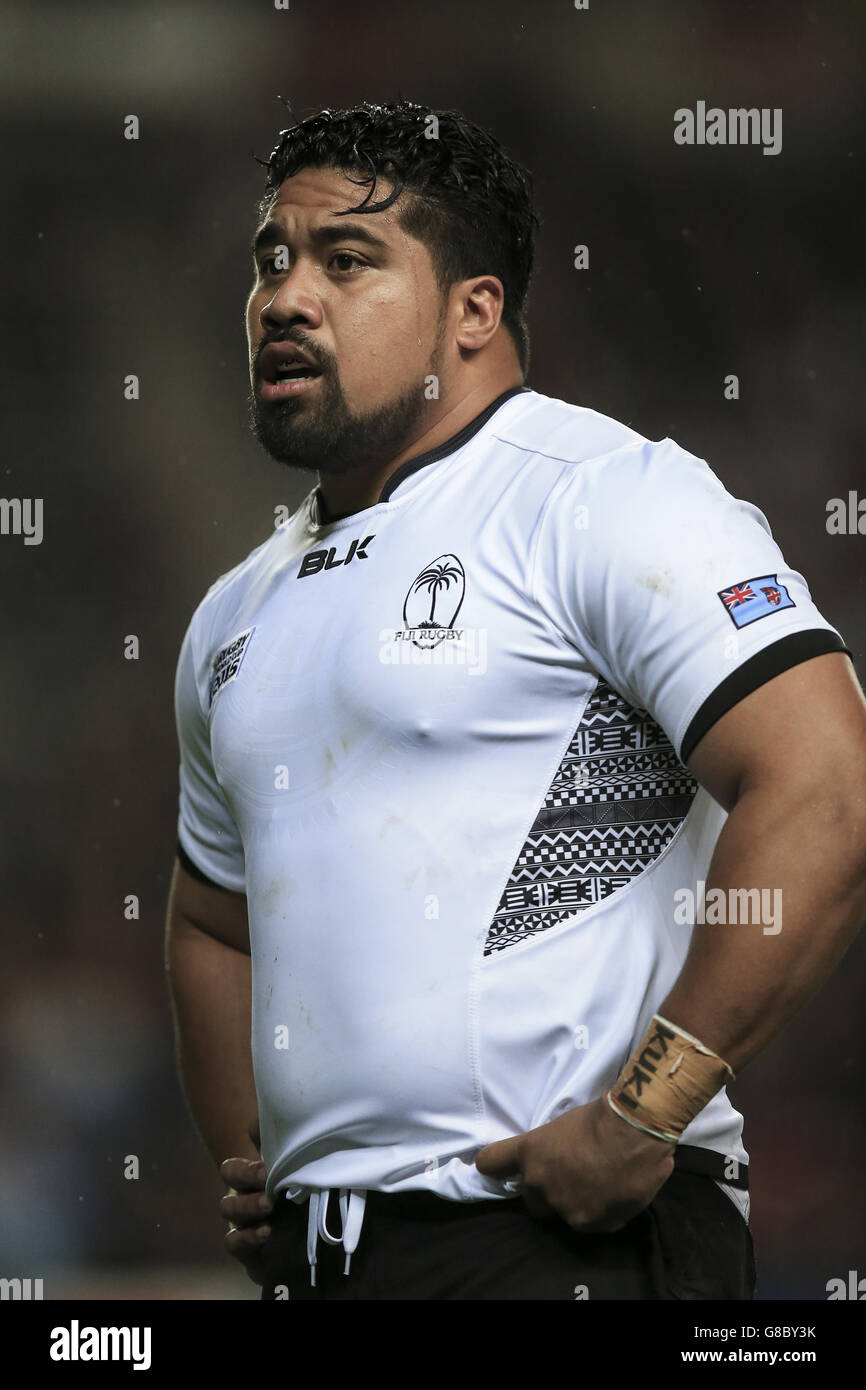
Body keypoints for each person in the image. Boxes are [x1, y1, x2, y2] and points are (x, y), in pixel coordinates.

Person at [165, 100, 866, 1300]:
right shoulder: (234, 614)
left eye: (346, 260)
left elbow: (824, 783)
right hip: (339, 1268)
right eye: (271, 261)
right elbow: (212, 925)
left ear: (474, 311)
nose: (287, 296)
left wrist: (642, 1121)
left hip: (574, 1238)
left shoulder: (598, 496)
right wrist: (259, 1162)